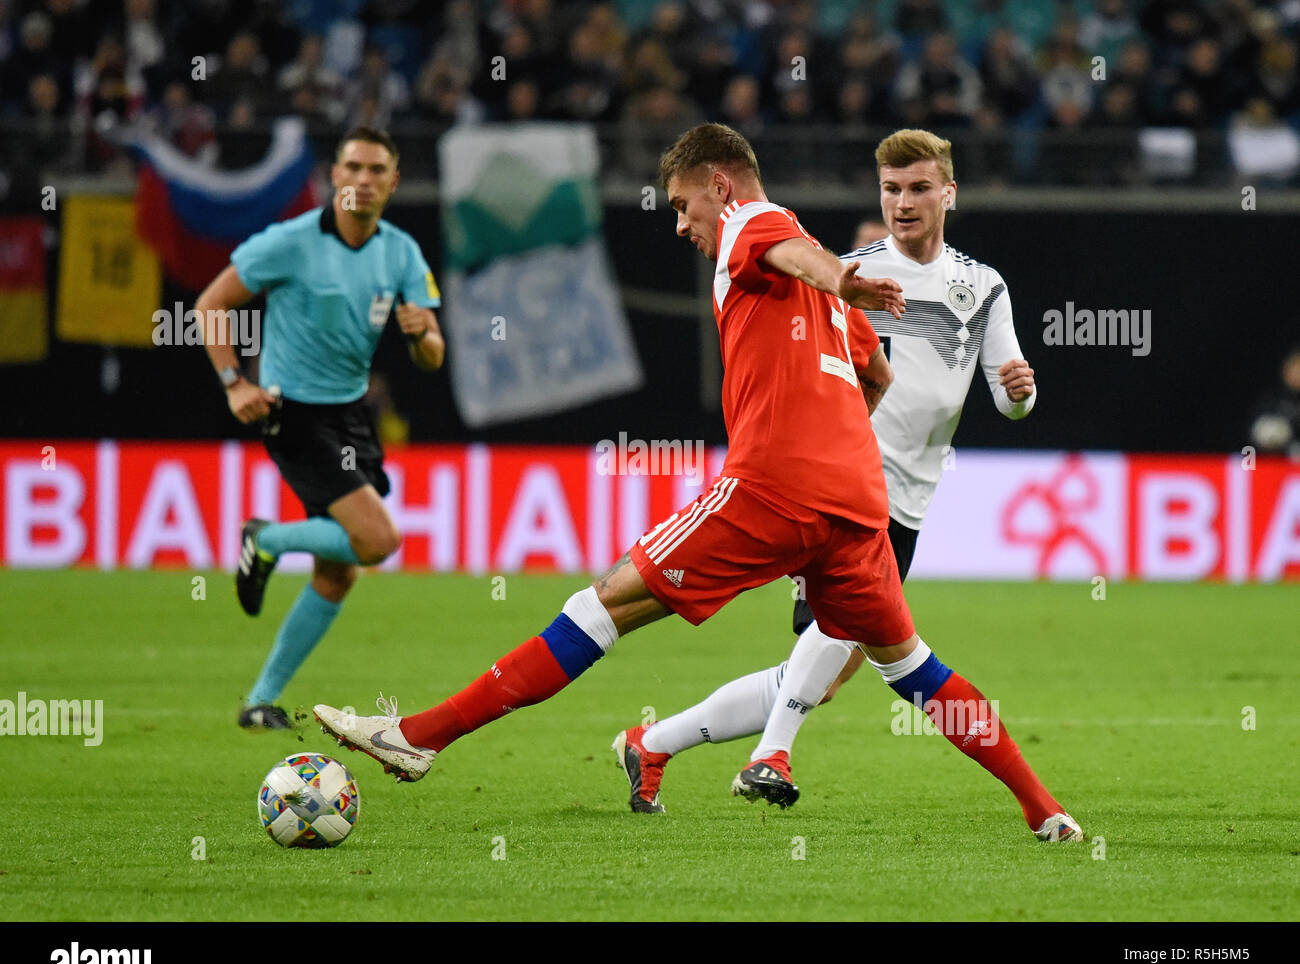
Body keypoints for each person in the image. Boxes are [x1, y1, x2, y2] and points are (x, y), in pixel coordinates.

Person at [314, 123, 1081, 844]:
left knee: (604, 600)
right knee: (910, 665)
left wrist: (843, 281)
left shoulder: (756, 224)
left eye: (682, 205)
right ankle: (1043, 808)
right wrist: (836, 421)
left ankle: (417, 737)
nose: (680, 223)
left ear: (719, 184)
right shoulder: (800, 248)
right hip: (855, 504)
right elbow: (875, 371)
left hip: (772, 487)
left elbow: (800, 261)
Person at [611, 128, 1055, 839]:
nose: (902, 203)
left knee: (824, 671)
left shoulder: (985, 287)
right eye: (890, 189)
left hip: (906, 506)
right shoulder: (840, 270)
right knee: (838, 642)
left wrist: (1020, 392)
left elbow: (1010, 399)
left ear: (949, 193)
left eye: (917, 188)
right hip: (836, 493)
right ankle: (771, 756)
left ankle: (653, 744)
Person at [196, 126, 445, 730]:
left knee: (341, 571)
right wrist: (235, 383)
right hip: (294, 412)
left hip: (353, 414)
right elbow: (211, 304)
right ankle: (268, 538)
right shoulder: (290, 242)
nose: (363, 179)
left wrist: (421, 335)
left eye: (376, 170)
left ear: (393, 181)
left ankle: (260, 701)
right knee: (379, 541)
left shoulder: (401, 252)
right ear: (334, 176)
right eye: (353, 167)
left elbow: (433, 355)